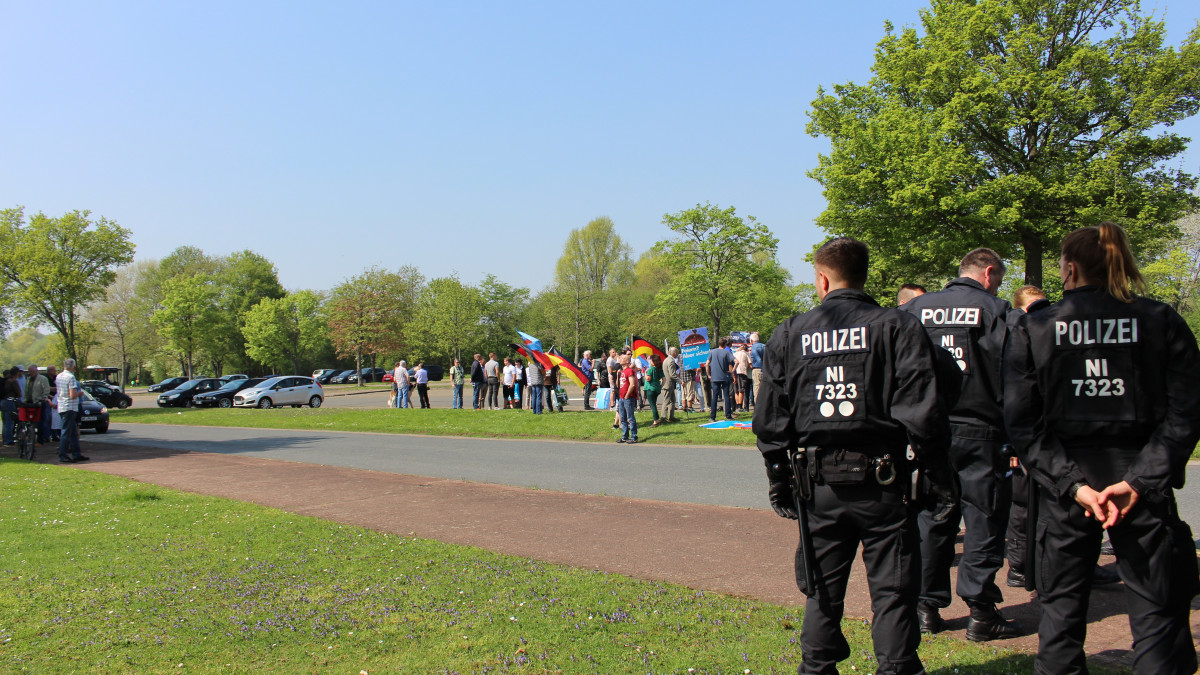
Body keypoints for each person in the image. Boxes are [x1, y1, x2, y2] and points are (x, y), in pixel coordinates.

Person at [1006, 223, 1200, 674]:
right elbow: (1186, 411)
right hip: (1138, 486)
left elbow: (1021, 421)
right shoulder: (1159, 319)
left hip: (1069, 490)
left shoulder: (1036, 327)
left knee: (1060, 613)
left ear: (1069, 268)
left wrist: (1071, 484)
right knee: (1157, 616)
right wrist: (1139, 480)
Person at [754, 237, 952, 674]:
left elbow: (770, 419)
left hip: (818, 485)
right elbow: (924, 411)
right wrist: (939, 475)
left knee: (822, 590)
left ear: (822, 279)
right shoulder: (896, 326)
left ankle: (817, 667)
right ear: (863, 275)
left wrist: (778, 477)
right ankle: (897, 666)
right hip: (883, 482)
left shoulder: (792, 331)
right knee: (894, 591)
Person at [902, 247, 1021, 640]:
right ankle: (981, 612)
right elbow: (1018, 377)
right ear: (988, 273)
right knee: (984, 519)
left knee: (932, 518)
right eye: (999, 280)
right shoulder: (1000, 311)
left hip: (930, 431)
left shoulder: (916, 310)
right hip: (984, 431)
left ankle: (926, 608)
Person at [1004, 287, 1122, 591]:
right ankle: (1020, 566)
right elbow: (1015, 398)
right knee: (1025, 507)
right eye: (1034, 307)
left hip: (1054, 447)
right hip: (1041, 446)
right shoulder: (1022, 331)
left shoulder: (1046, 330)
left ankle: (1076, 567)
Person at [56, 358, 87, 463]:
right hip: (70, 407)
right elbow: (72, 395)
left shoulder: (59, 376)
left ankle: (76, 453)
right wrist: (79, 393)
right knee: (66, 432)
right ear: (73, 367)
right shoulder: (71, 377)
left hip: (62, 406)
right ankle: (63, 454)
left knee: (73, 432)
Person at [706, 337, 735, 422]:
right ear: (725, 344)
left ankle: (712, 417)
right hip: (725, 377)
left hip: (715, 377)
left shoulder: (712, 352)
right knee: (726, 396)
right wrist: (732, 371)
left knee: (714, 397)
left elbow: (707, 364)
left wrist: (709, 375)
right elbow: (736, 361)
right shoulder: (727, 352)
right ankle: (728, 415)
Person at [23, 365, 50, 444]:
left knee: (41, 421)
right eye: (29, 371)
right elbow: (26, 391)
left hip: (39, 403)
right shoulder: (28, 379)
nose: (30, 373)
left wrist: (42, 399)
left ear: (36, 371)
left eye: (32, 371)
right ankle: (29, 438)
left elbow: (46, 391)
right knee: (28, 421)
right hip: (29, 403)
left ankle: (41, 439)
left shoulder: (42, 379)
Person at [615, 353, 638, 443]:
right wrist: (618, 375)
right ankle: (624, 435)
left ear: (627, 361)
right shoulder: (622, 371)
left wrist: (627, 395)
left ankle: (634, 436)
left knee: (630, 417)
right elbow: (618, 385)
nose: (620, 359)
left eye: (623, 358)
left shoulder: (629, 371)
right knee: (623, 418)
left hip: (628, 398)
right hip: (621, 397)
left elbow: (632, 384)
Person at [643, 354, 663, 427]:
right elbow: (663, 378)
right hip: (656, 388)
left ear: (653, 361)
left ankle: (656, 421)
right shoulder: (659, 368)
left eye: (651, 360)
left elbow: (648, 379)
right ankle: (657, 419)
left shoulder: (651, 369)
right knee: (654, 404)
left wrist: (645, 372)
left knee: (652, 405)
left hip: (650, 388)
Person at [661, 347, 678, 423]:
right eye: (677, 352)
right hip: (668, 384)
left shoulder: (666, 359)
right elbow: (672, 375)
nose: (677, 354)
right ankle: (663, 418)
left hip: (668, 383)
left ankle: (671, 417)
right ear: (674, 353)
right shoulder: (671, 361)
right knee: (667, 401)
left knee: (672, 401)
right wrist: (681, 381)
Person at [2, 368, 19, 446]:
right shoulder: (13, 381)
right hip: (10, 401)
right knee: (10, 422)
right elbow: (19, 393)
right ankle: (8, 440)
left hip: (3, 401)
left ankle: (5, 439)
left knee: (5, 422)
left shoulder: (4, 381)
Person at [734, 342, 753, 412]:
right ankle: (740, 406)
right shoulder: (746, 354)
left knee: (736, 390)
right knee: (742, 390)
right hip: (743, 372)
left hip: (735, 372)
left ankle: (737, 405)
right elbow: (750, 364)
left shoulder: (735, 353)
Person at [749, 332, 765, 415]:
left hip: (757, 369)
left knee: (756, 389)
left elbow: (758, 359)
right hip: (765, 369)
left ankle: (758, 409)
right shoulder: (764, 346)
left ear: (751, 340)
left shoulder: (754, 348)